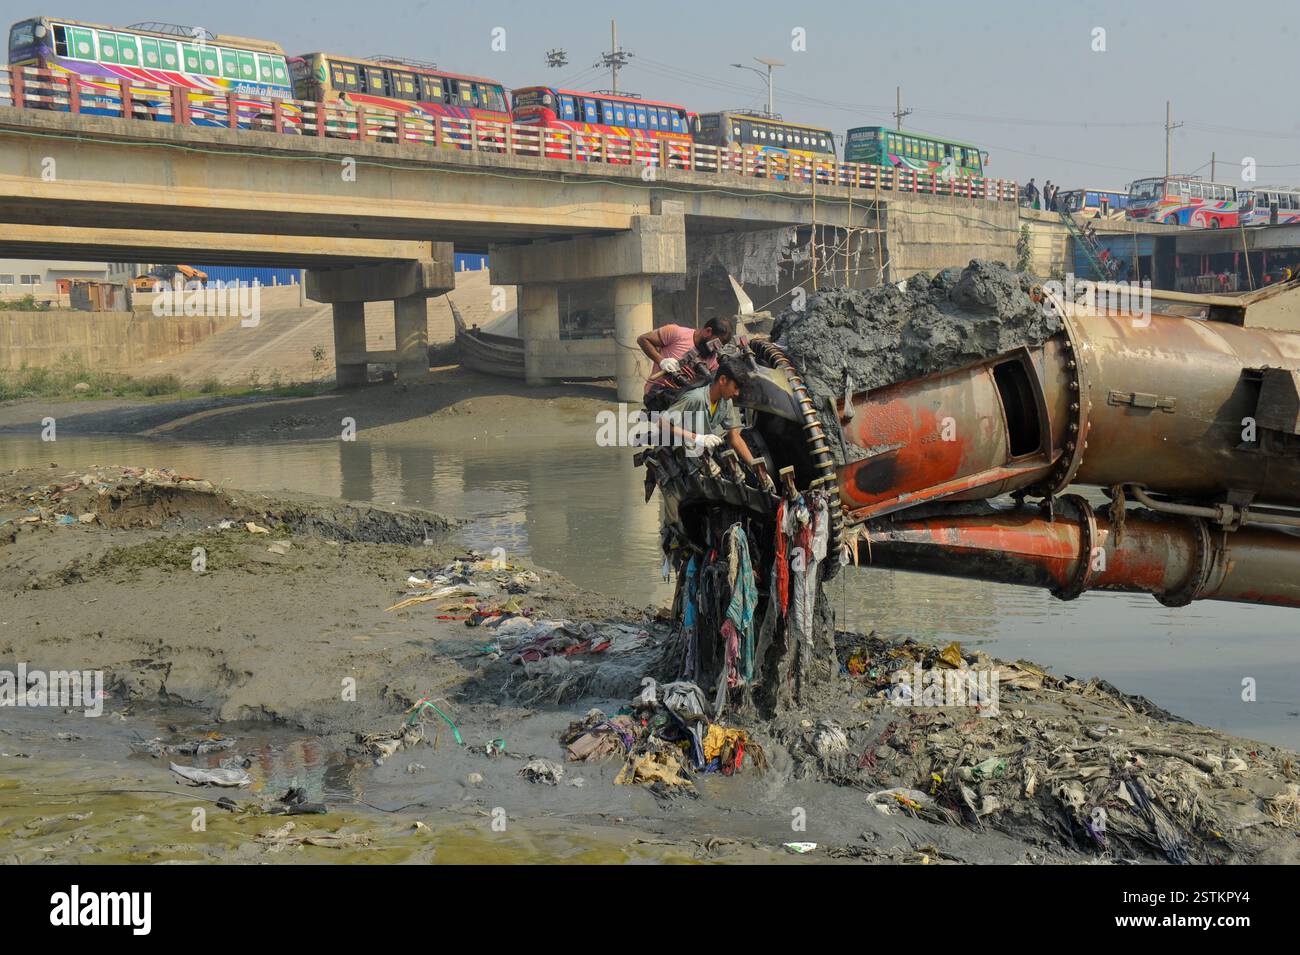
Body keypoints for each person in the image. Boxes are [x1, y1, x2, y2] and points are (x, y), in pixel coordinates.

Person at [667, 356, 772, 489]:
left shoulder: (726, 402)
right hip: (683, 456)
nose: (737, 393)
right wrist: (698, 438)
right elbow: (662, 423)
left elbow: (735, 438)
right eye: (735, 387)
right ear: (722, 380)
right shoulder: (695, 398)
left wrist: (756, 469)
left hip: (703, 455)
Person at [637, 317, 733, 396]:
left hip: (684, 401)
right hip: (657, 394)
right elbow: (643, 339)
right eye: (717, 342)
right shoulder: (676, 332)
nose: (717, 348)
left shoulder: (713, 359)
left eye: (721, 345)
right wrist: (661, 361)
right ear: (708, 331)